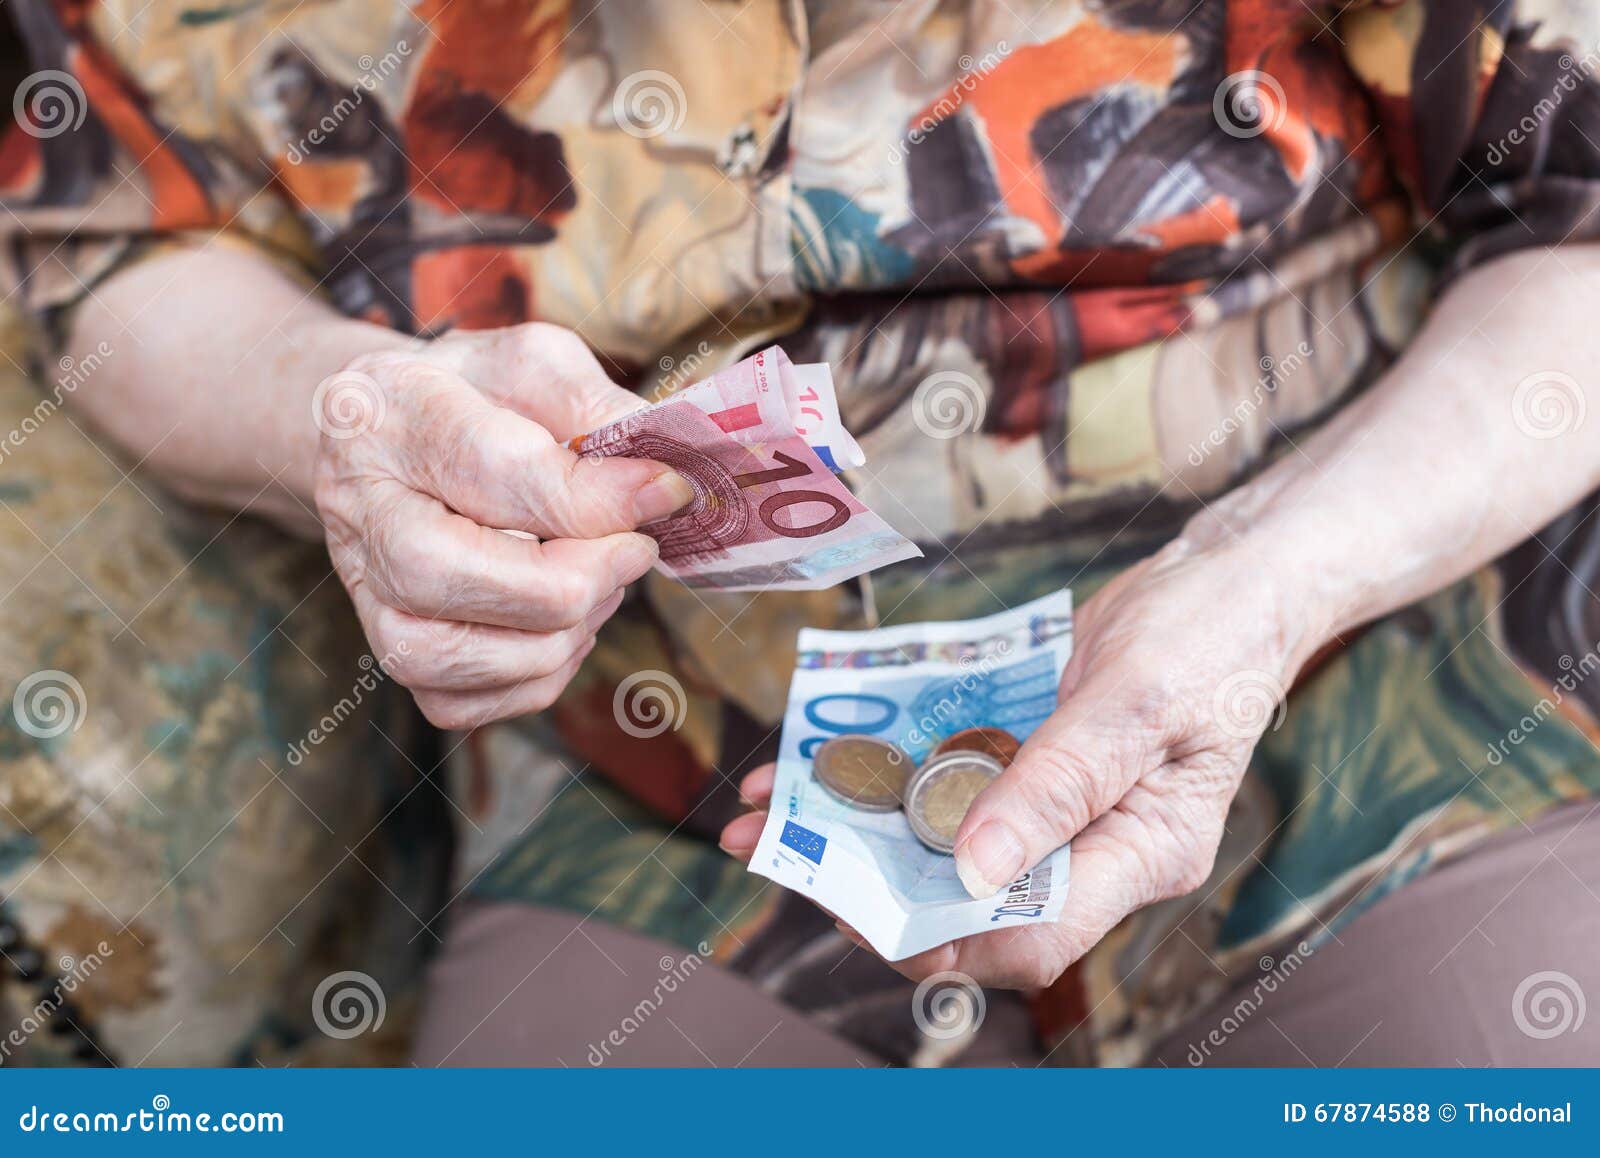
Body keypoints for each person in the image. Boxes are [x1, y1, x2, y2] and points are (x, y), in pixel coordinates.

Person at [2, 0, 1598, 1067]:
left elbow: (1577, 228)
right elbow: (98, 236)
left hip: (1385, 652)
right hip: (693, 778)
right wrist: (340, 419)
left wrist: (1267, 581)